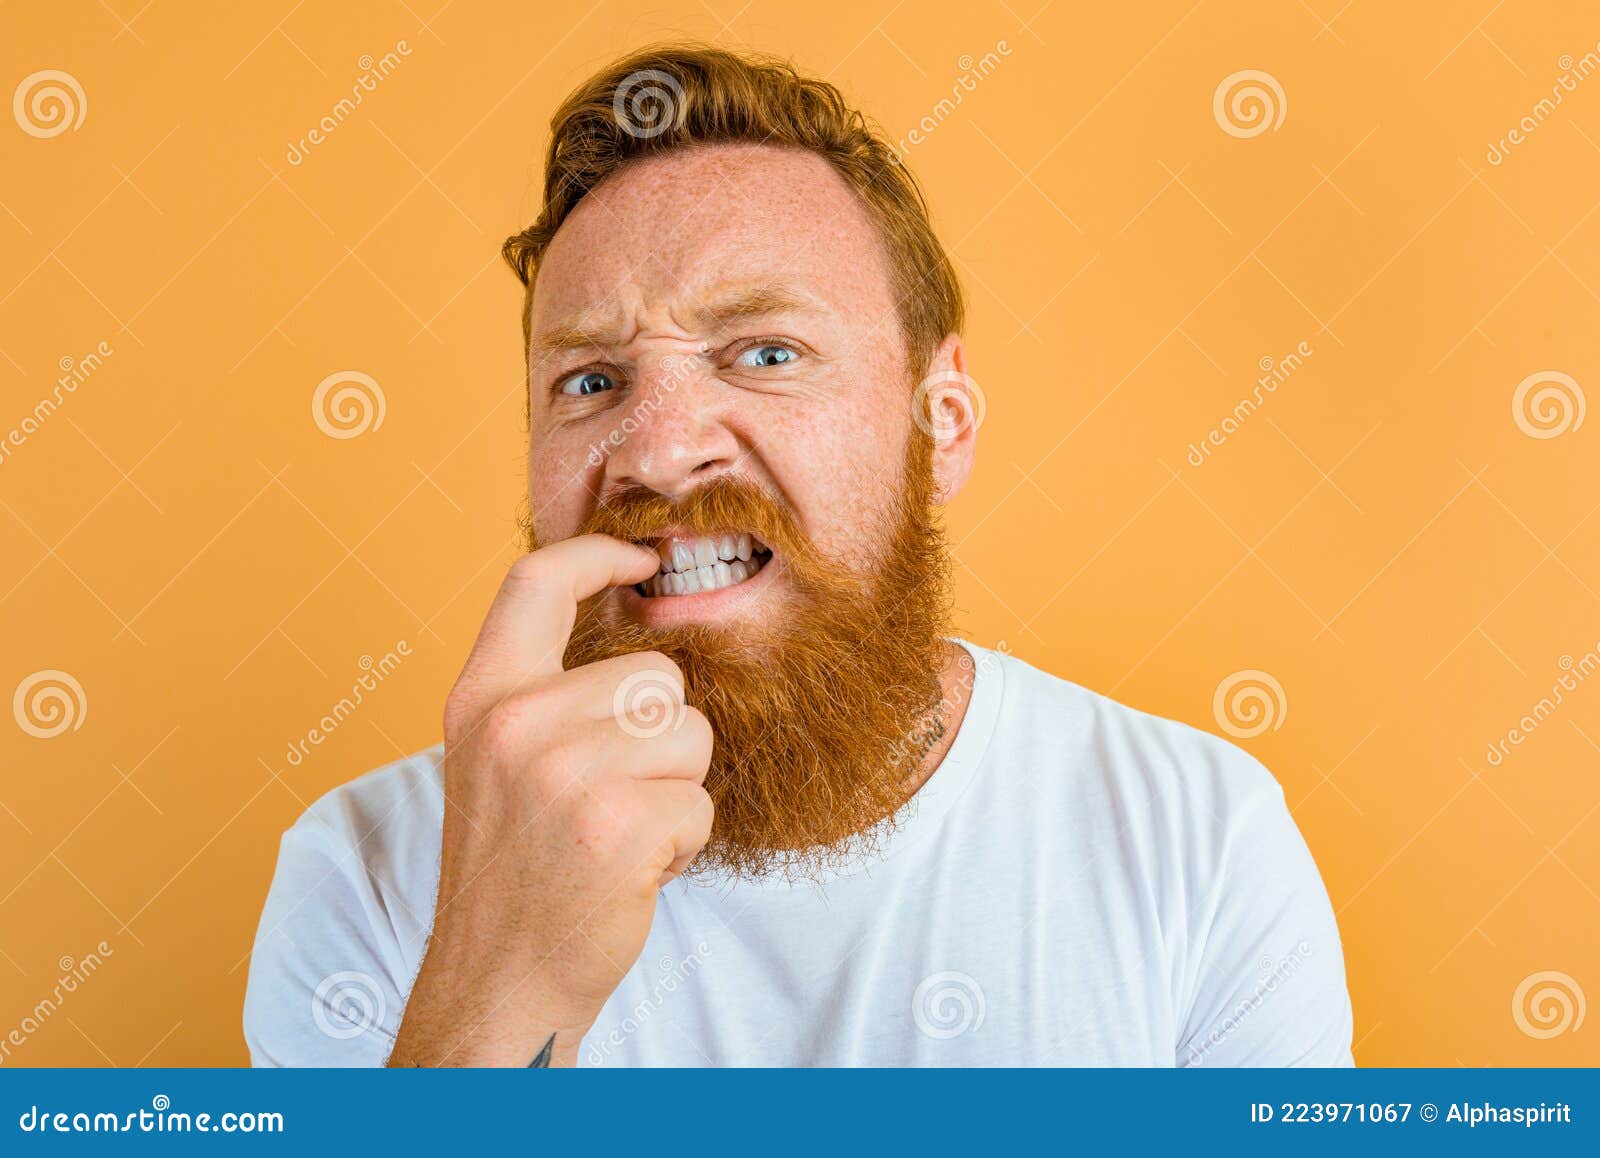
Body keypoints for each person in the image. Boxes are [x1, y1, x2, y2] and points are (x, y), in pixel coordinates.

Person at [243, 43, 1353, 1067]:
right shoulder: (369, 873)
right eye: (590, 381)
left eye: (765, 351)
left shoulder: (1196, 838)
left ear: (942, 423)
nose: (660, 453)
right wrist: (496, 987)